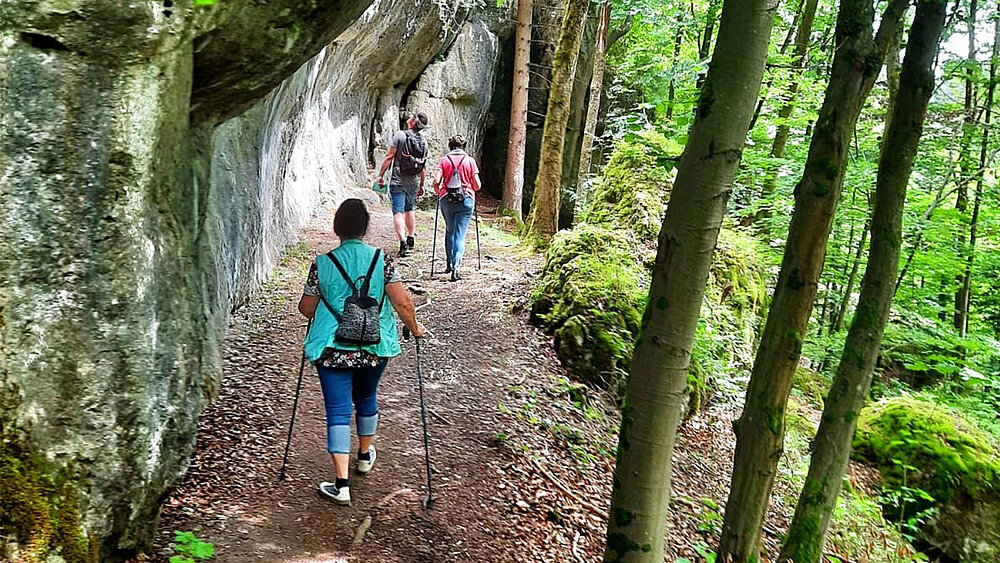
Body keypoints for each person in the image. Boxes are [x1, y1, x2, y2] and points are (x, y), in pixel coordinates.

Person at [298, 199, 424, 505]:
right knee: (367, 397)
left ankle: (341, 485)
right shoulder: (382, 260)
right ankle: (365, 455)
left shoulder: (322, 263)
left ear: (337, 227)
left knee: (337, 411)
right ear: (365, 227)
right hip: (374, 346)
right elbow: (402, 302)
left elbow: (306, 308)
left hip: (331, 348)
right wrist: (415, 328)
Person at [377, 109, 429, 257]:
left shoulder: (400, 135)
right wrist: (421, 185)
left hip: (398, 180)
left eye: (411, 116)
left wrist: (380, 176)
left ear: (413, 122)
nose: (409, 117)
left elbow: (389, 157)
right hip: (414, 181)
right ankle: (411, 237)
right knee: (410, 209)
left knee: (398, 211)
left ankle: (402, 242)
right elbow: (422, 165)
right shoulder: (423, 142)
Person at [433, 134, 481, 281]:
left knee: (449, 230)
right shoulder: (470, 161)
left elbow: (436, 180)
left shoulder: (444, 160)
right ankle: (456, 267)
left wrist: (439, 191)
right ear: (463, 146)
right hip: (466, 200)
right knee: (460, 234)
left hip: (446, 199)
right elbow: (477, 185)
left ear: (450, 146)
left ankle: (449, 263)